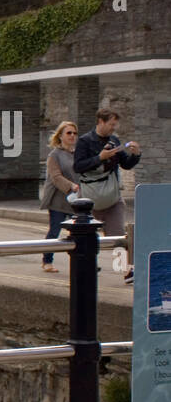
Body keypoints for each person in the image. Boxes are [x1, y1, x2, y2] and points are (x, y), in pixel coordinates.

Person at [74, 108, 141, 281]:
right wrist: (100, 157)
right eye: (111, 124)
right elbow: (78, 166)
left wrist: (135, 155)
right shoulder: (84, 141)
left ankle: (129, 270)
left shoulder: (114, 140)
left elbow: (125, 164)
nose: (114, 128)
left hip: (112, 198)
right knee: (88, 237)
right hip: (90, 200)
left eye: (115, 125)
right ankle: (88, 266)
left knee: (119, 236)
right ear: (100, 122)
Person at [39, 121, 81, 273]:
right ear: (61, 136)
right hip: (58, 199)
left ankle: (81, 261)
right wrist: (71, 185)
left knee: (79, 232)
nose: (72, 136)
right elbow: (55, 176)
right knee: (55, 230)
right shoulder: (54, 155)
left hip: (74, 200)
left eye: (74, 133)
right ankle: (47, 261)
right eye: (69, 133)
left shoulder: (77, 154)